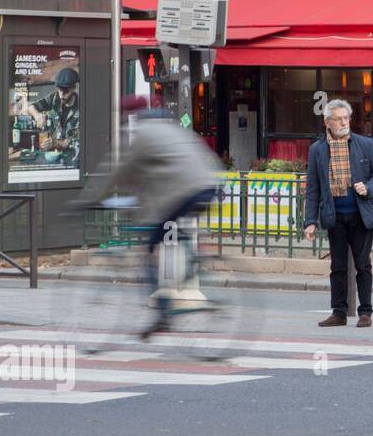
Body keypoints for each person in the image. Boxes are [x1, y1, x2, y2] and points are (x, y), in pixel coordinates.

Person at [84, 96, 222, 338]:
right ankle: (193, 260)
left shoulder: (143, 135)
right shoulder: (172, 128)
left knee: (149, 249)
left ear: (131, 116)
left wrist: (90, 199)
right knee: (175, 230)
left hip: (183, 194)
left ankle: (162, 314)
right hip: (208, 185)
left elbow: (119, 171)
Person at [303, 100, 373, 328]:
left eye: (346, 118)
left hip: (361, 215)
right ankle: (338, 312)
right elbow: (312, 189)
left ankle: (365, 312)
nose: (343, 122)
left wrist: (368, 188)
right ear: (327, 122)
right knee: (337, 267)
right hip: (335, 215)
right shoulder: (317, 150)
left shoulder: (364, 144)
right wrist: (310, 221)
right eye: (338, 119)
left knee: (363, 264)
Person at [17, 66, 81, 162]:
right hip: (53, 154)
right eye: (60, 89)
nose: (61, 95)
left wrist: (57, 143)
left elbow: (77, 141)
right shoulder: (54, 98)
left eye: (66, 91)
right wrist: (37, 115)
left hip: (72, 158)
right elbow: (31, 107)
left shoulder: (81, 107)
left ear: (73, 88)